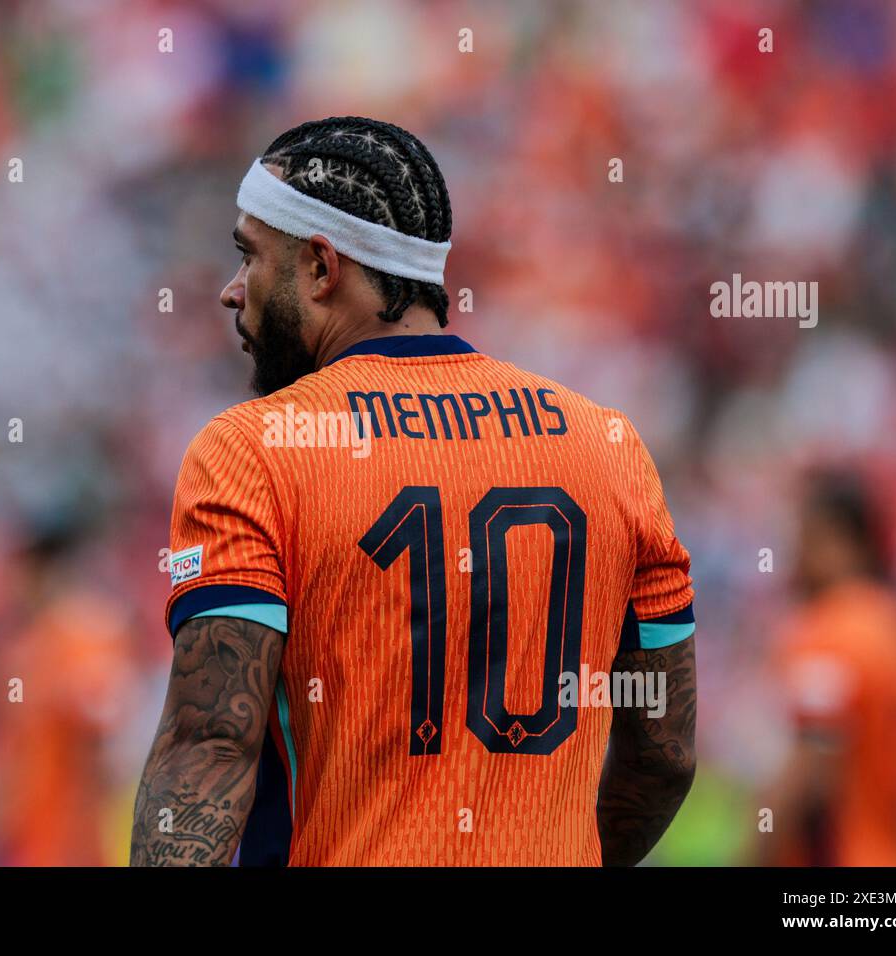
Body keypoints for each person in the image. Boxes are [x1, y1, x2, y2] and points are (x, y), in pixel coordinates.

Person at [130, 116, 696, 866]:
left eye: (249, 257)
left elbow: (210, 744)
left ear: (321, 268)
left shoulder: (252, 450)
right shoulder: (611, 447)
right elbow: (665, 753)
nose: (233, 291)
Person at [761, 471, 896, 866]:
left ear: (840, 541)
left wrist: (755, 850)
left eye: (806, 540)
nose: (796, 558)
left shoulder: (829, 629)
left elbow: (812, 766)